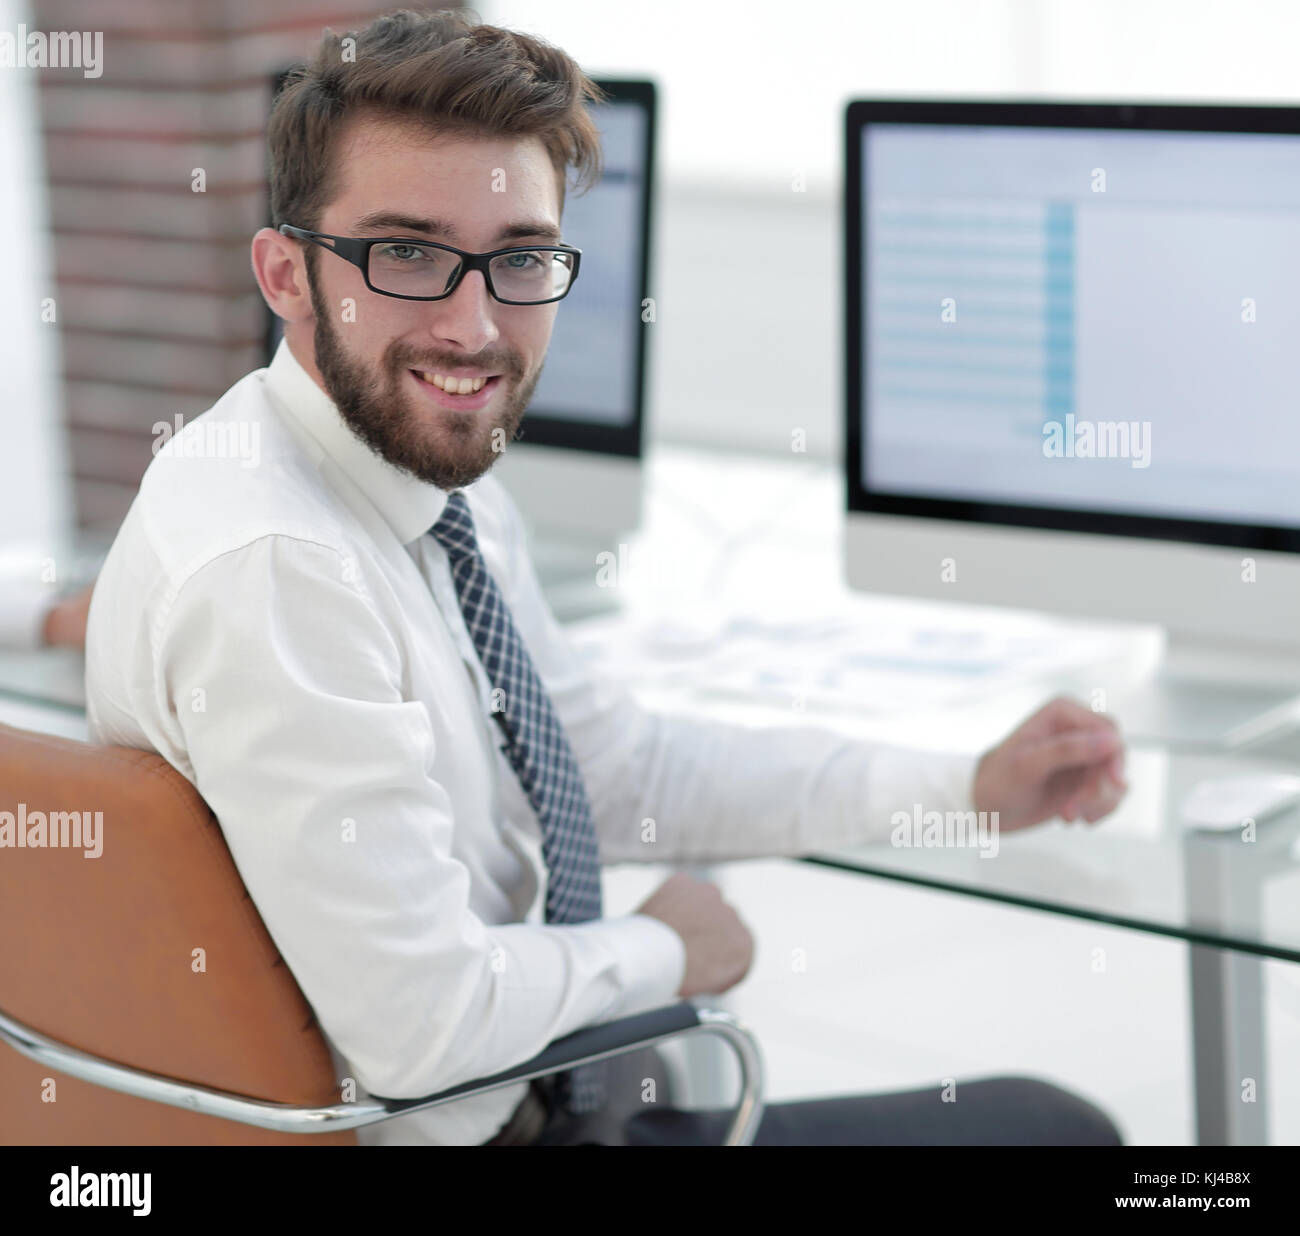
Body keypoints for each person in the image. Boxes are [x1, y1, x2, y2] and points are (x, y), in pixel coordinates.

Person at [84, 9, 1126, 1147]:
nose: (474, 326)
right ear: (286, 274)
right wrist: (668, 947)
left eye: (520, 258)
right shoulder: (280, 570)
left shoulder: (430, 477)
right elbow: (424, 1032)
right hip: (477, 1126)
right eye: (409, 254)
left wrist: (962, 784)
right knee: (1051, 1130)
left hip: (529, 1101)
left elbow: (610, 769)